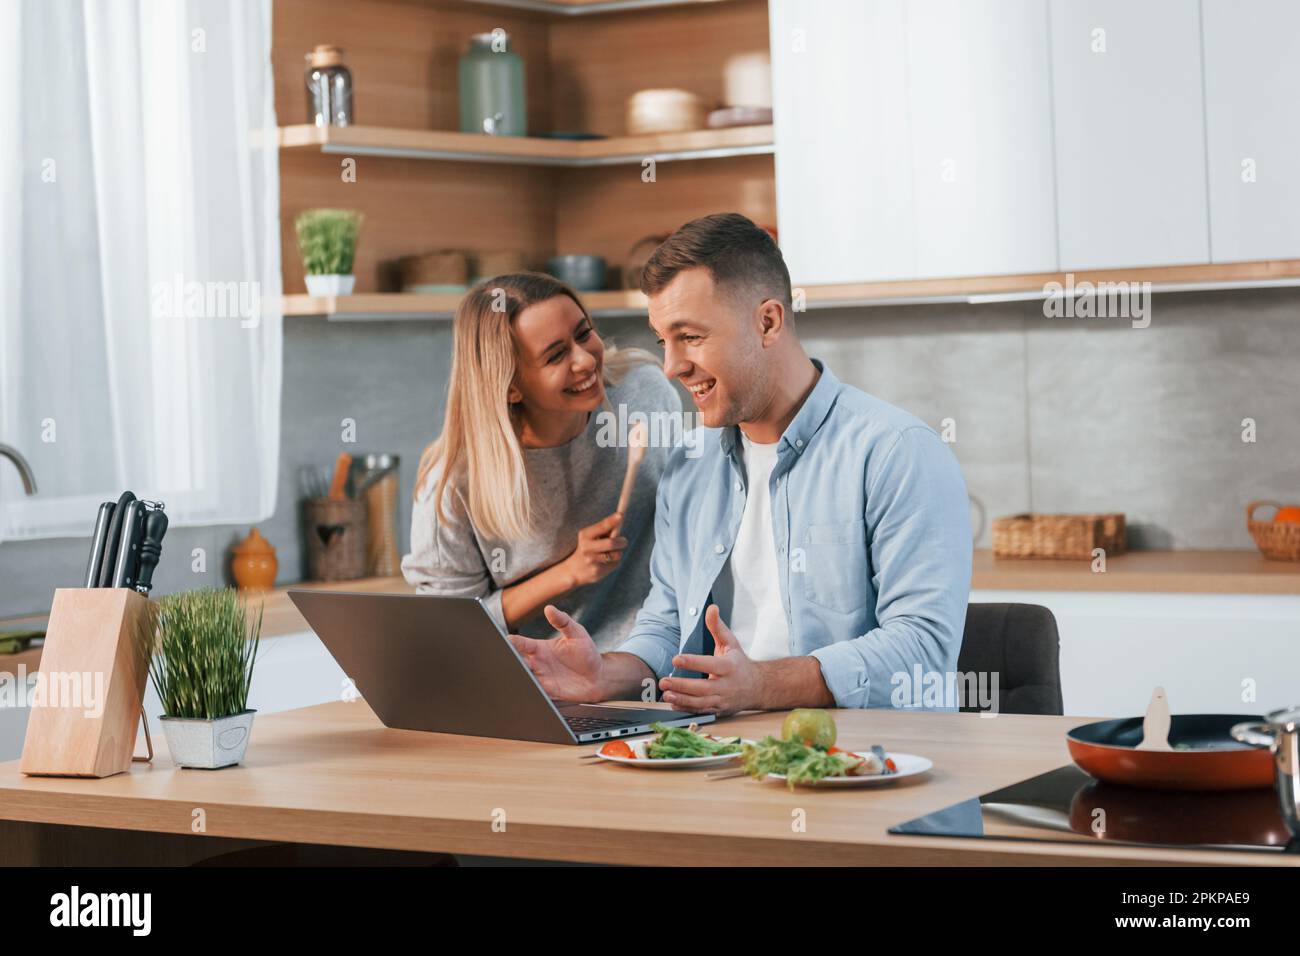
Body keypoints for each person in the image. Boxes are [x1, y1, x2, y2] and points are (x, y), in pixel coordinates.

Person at [508, 213, 972, 712]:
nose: (671, 366)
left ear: (767, 322)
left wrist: (762, 685)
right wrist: (608, 673)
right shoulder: (689, 467)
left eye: (690, 336)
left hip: (865, 767)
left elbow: (921, 650)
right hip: (723, 759)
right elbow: (667, 625)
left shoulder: (895, 453)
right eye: (664, 340)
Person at [401, 272, 679, 649]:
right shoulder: (453, 485)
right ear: (511, 386)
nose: (584, 361)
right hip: (537, 683)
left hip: (656, 666)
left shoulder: (644, 396)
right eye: (555, 355)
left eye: (583, 334)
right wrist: (569, 573)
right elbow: (448, 632)